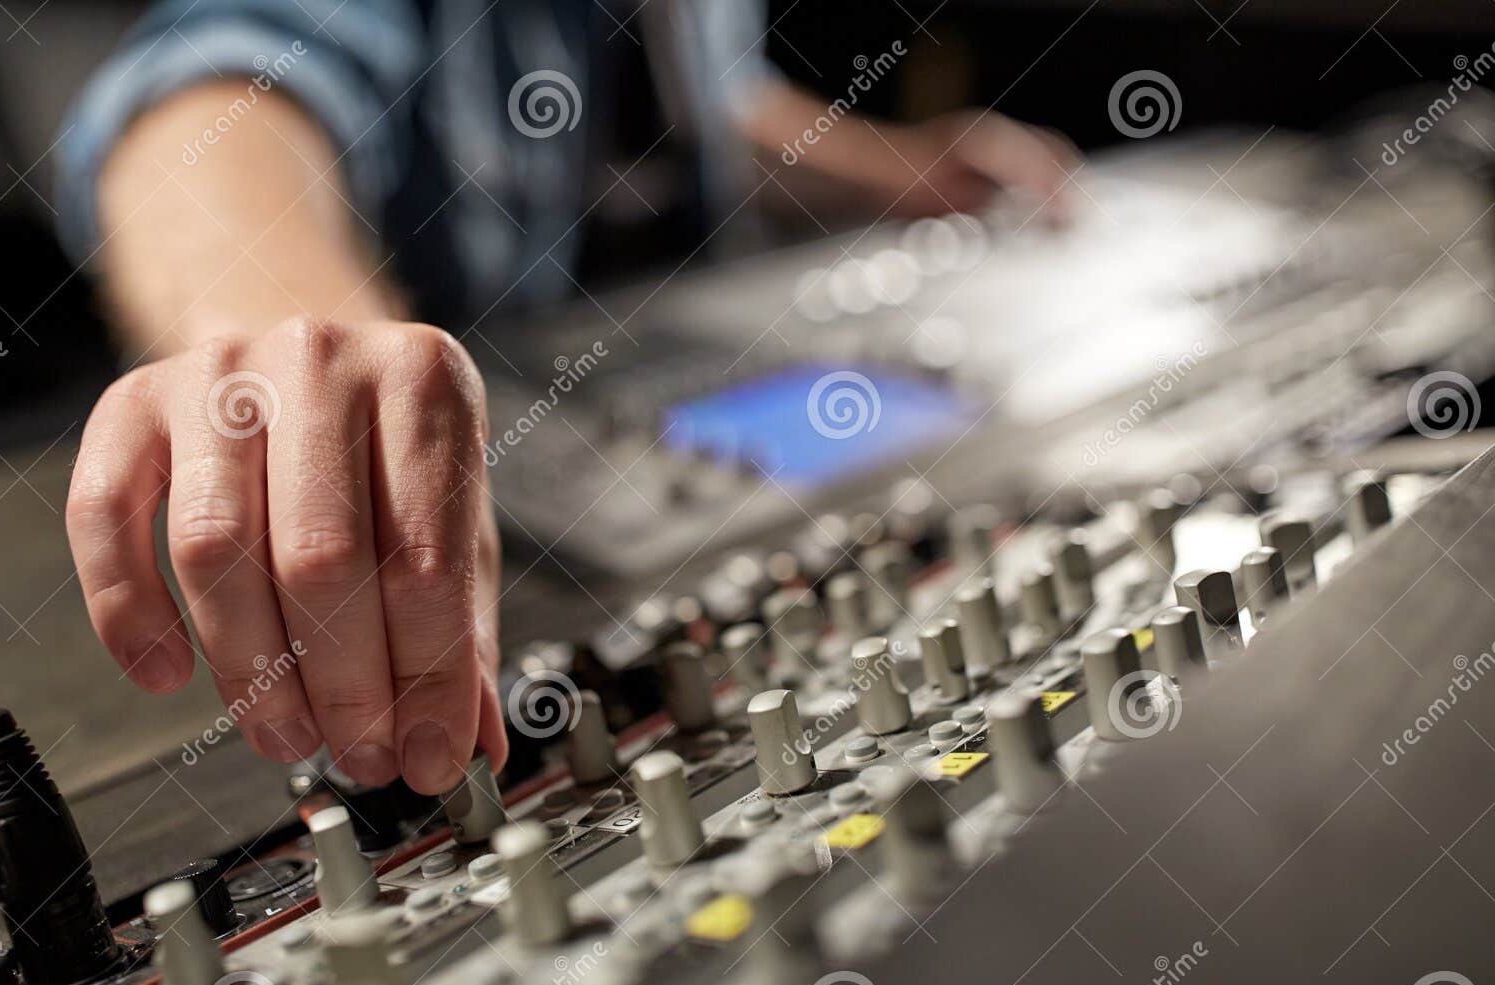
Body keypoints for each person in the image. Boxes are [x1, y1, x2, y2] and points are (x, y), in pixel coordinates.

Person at [56, 0, 1077, 797]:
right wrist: (283, 331)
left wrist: (903, 169)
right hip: (482, 502)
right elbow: (212, 95)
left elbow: (715, 107)